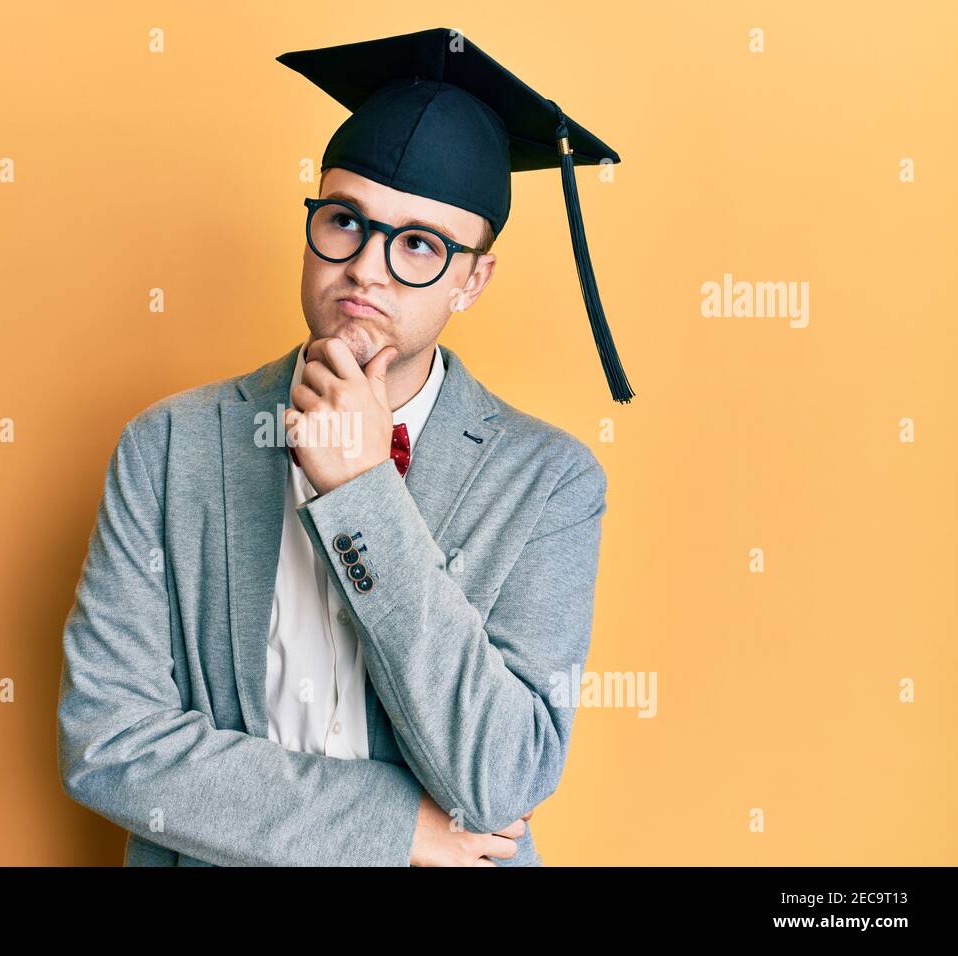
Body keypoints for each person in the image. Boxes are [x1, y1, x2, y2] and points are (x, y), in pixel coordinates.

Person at [57, 26, 626, 866]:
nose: (367, 268)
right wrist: (396, 832)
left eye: (420, 245)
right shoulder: (166, 449)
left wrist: (361, 492)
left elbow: (504, 778)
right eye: (344, 220)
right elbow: (110, 748)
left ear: (473, 278)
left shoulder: (549, 481)